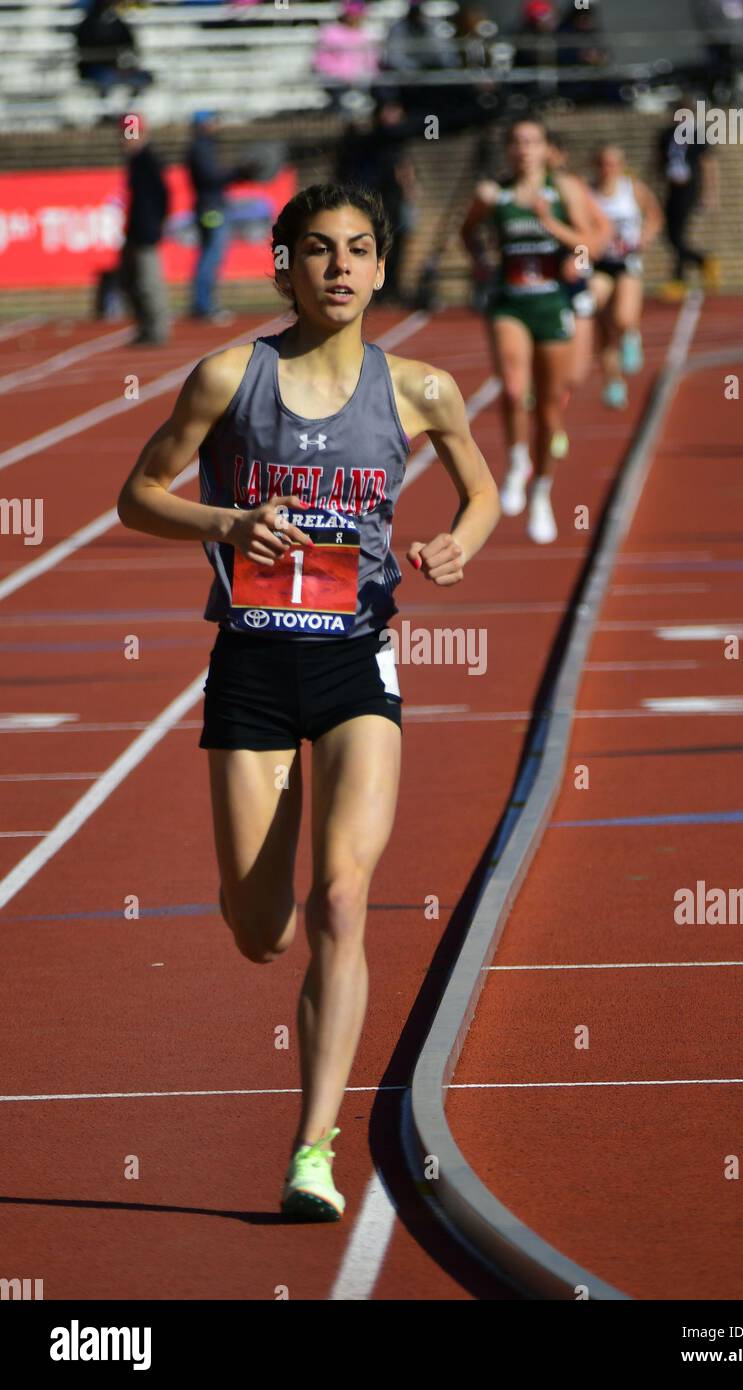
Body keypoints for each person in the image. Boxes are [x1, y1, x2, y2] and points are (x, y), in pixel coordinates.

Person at [115, 183, 500, 1221]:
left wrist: (459, 541)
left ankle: (311, 1149)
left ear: (381, 269)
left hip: (354, 665)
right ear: (282, 265)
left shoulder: (418, 389)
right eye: (318, 250)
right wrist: (229, 521)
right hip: (250, 662)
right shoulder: (230, 377)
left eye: (358, 250)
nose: (339, 268)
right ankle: (268, 939)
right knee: (261, 929)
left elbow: (481, 491)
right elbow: (136, 494)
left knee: (341, 897)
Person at [460, 115, 611, 544]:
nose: (524, 149)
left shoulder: (562, 190)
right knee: (511, 388)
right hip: (509, 302)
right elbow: (467, 231)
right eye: (517, 141)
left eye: (532, 141)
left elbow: (591, 245)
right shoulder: (494, 193)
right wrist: (481, 262)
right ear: (509, 149)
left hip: (553, 303)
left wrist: (554, 228)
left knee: (548, 407)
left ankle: (542, 491)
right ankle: (515, 462)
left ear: (546, 148)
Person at [588, 145, 662, 409]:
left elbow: (654, 216)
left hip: (627, 262)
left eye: (613, 164)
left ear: (621, 165)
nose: (607, 169)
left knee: (622, 317)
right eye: (602, 164)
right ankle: (613, 382)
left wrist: (645, 237)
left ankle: (631, 334)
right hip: (598, 264)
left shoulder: (633, 189)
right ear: (595, 166)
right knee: (596, 315)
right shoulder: (587, 193)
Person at [545, 131, 612, 415]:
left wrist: (578, 257)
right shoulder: (510, 191)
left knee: (575, 372)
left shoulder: (571, 187)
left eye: (550, 150)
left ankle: (556, 409)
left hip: (572, 284)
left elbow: (601, 233)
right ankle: (548, 423)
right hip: (533, 289)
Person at [334, 97, 417, 303]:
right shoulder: (361, 142)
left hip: (392, 199)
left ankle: (392, 285)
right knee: (368, 243)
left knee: (395, 242)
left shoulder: (395, 139)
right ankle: (370, 286)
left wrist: (410, 187)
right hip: (369, 199)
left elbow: (404, 167)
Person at [186, 111, 255, 323]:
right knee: (211, 254)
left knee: (210, 254)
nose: (216, 125)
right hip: (211, 209)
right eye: (212, 121)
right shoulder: (201, 148)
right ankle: (204, 305)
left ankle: (203, 303)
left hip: (210, 206)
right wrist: (238, 173)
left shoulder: (204, 146)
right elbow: (212, 177)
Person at [657, 97, 721, 300]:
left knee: (680, 234)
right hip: (671, 188)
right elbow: (657, 162)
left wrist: (710, 193)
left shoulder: (698, 134)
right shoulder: (667, 134)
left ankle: (681, 278)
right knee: (671, 235)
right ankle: (700, 262)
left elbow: (708, 164)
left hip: (689, 189)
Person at [117, 113, 171, 346]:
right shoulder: (137, 160)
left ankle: (157, 329)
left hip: (145, 231)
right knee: (132, 281)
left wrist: (154, 225)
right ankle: (145, 327)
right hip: (136, 230)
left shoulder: (146, 159)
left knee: (148, 282)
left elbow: (161, 196)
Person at [75, 0, 153, 100]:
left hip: (120, 68)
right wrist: (112, 66)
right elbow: (85, 53)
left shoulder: (117, 22)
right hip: (96, 70)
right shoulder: (87, 25)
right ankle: (105, 112)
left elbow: (130, 46)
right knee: (105, 81)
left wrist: (126, 67)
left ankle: (131, 108)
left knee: (143, 78)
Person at [312, 0, 381, 110]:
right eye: (352, 14)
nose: (355, 17)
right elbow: (322, 61)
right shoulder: (330, 32)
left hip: (362, 80)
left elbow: (372, 61)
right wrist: (345, 76)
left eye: (357, 14)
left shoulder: (367, 33)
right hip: (337, 80)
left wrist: (365, 75)